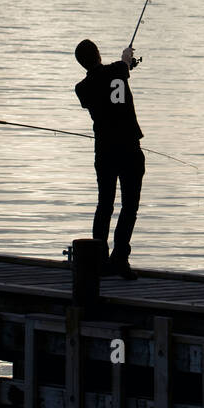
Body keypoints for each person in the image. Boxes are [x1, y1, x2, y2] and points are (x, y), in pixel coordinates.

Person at [74, 39, 145, 280]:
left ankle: (99, 258)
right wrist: (126, 57)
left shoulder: (82, 88)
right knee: (129, 206)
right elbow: (121, 69)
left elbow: (106, 82)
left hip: (104, 151)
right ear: (98, 54)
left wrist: (125, 66)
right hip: (129, 148)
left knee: (105, 205)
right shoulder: (117, 70)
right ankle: (120, 258)